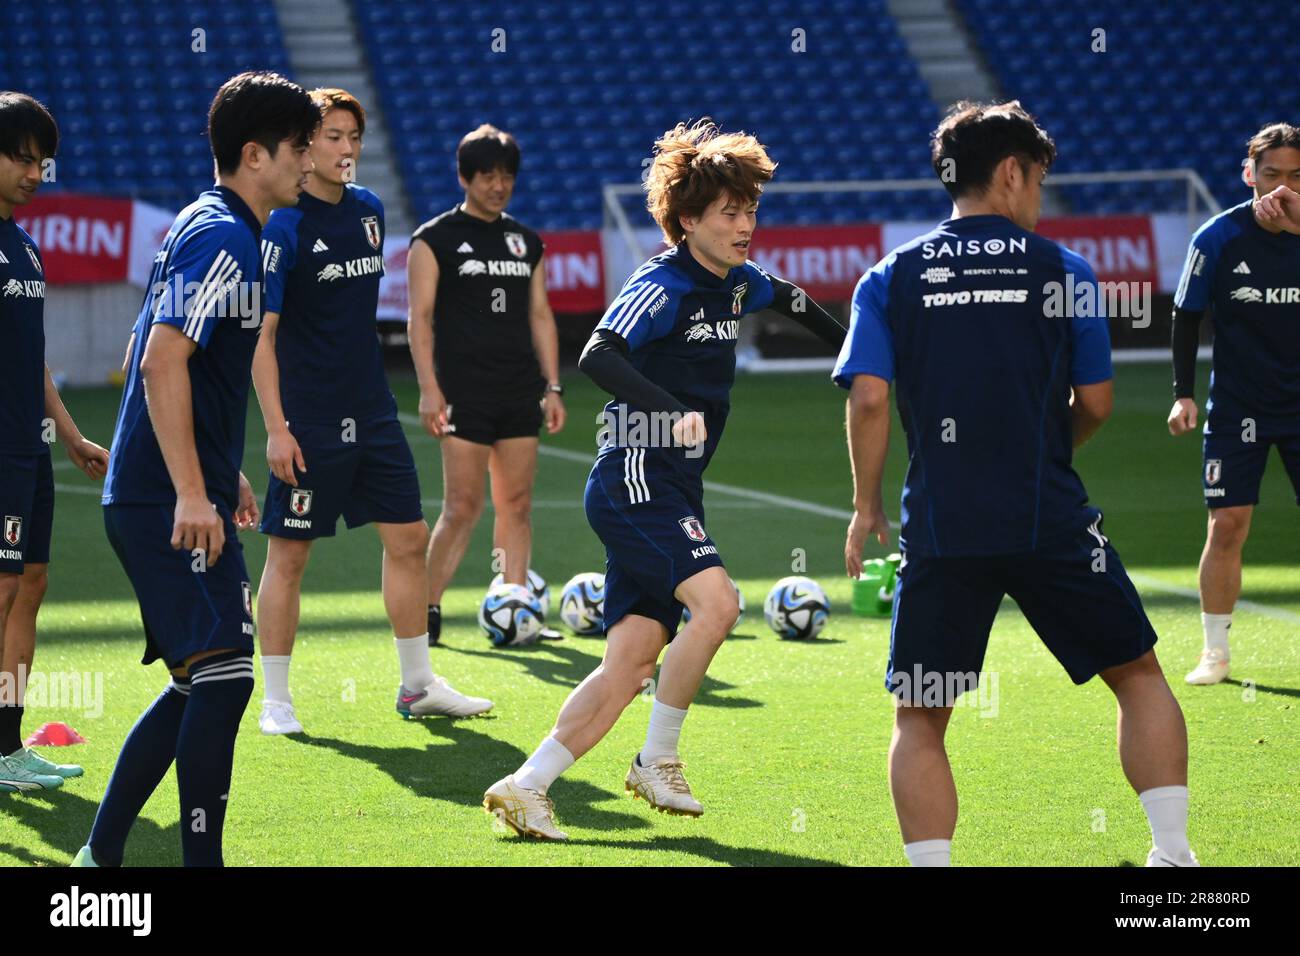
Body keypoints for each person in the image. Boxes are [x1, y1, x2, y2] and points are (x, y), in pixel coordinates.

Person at [837, 101, 1196, 867]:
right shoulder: (1065, 271)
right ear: (1010, 172)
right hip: (1050, 519)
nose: (1038, 197)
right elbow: (1097, 402)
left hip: (942, 527)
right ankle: (1172, 856)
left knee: (922, 716)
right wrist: (1040, 452)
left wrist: (867, 507)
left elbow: (868, 399)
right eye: (1037, 180)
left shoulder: (890, 276)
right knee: (1137, 675)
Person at [483, 120, 846, 840]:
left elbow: (797, 302)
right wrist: (669, 409)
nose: (746, 227)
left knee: (630, 661)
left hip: (673, 487)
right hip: (635, 475)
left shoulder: (739, 283)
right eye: (729, 214)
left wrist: (862, 354)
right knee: (719, 606)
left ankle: (526, 786)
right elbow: (599, 352)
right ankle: (658, 757)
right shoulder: (662, 283)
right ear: (688, 222)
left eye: (751, 212)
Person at [72, 72, 318, 867]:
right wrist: (187, 487)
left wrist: (218, 472)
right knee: (227, 677)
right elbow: (158, 361)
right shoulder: (224, 235)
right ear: (254, 154)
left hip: (174, 489)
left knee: (197, 682)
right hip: (161, 499)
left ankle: (100, 854)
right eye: (299, 146)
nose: (311, 159)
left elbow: (155, 347)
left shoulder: (209, 222)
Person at [252, 88, 491, 735]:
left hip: (373, 412)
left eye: (354, 137)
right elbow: (262, 337)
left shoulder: (369, 211)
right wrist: (277, 427)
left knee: (409, 539)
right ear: (305, 145)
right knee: (290, 555)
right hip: (308, 419)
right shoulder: (284, 222)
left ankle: (417, 685)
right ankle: (276, 700)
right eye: (333, 137)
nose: (347, 149)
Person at [406, 125, 566, 646]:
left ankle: (516, 606)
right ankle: (426, 611)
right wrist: (430, 389)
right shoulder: (435, 240)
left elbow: (541, 315)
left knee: (517, 503)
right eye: (488, 176)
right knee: (462, 507)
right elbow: (420, 319)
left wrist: (553, 386)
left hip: (519, 389)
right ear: (464, 177)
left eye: (506, 177)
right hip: (462, 393)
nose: (499, 186)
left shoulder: (526, 241)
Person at [0, 91, 109, 793]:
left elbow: (30, 354)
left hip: (27, 448)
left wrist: (68, 433)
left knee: (29, 585)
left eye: (43, 161)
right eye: (20, 157)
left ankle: (7, 748)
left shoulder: (27, 246)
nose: (35, 172)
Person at [1167, 122, 1300, 686]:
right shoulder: (1217, 238)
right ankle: (1215, 652)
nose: (1282, 187)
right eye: (1272, 175)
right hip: (1239, 407)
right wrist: (1183, 394)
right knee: (1226, 524)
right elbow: (1185, 315)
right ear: (1250, 174)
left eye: (1296, 176)